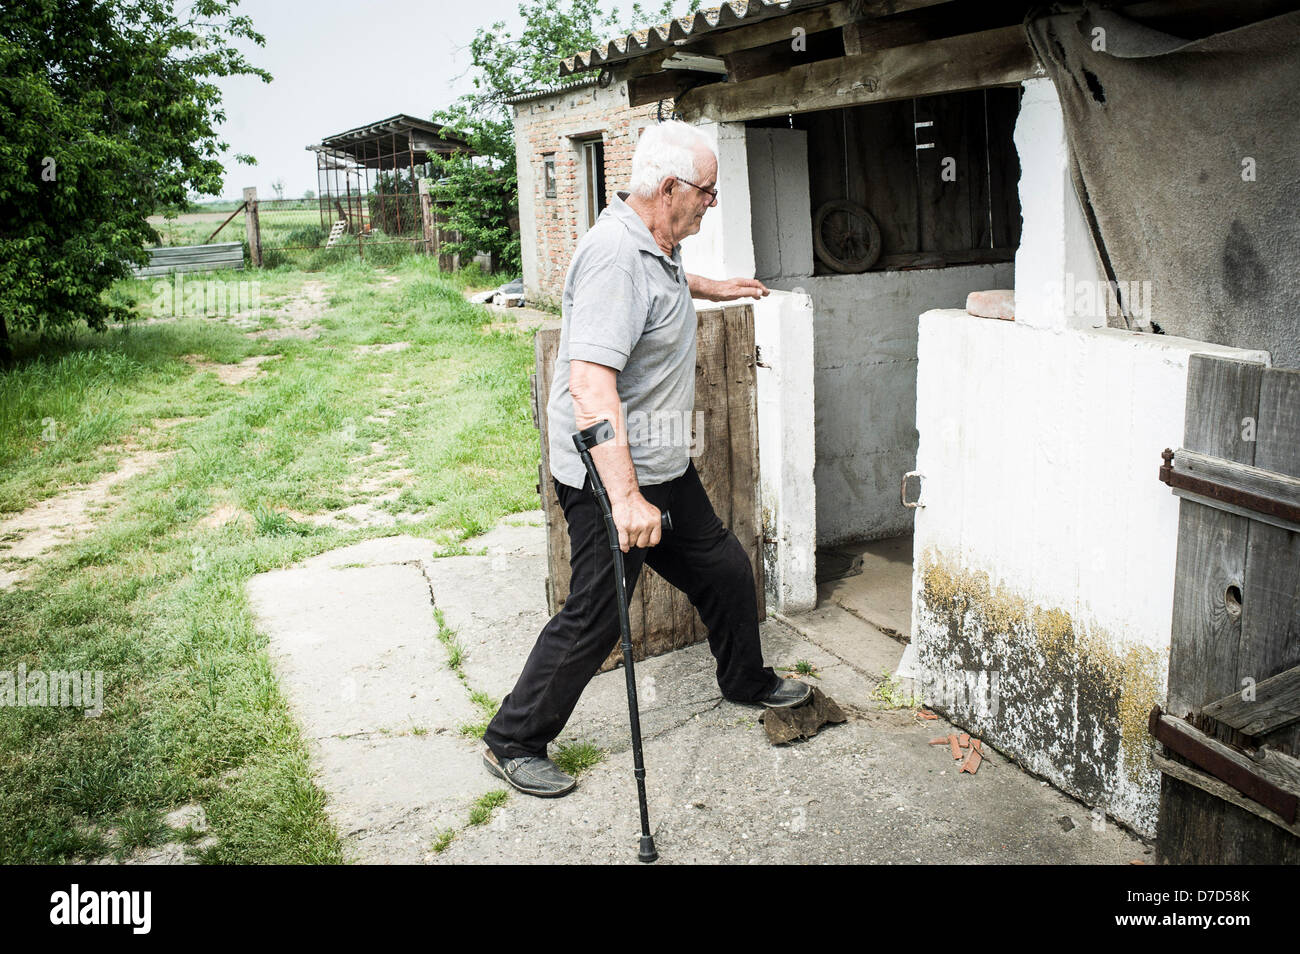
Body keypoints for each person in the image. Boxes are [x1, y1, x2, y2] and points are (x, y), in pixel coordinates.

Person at [482, 120, 811, 798]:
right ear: (669, 188)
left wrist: (712, 289)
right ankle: (513, 738)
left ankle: (745, 681)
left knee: (722, 569)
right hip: (612, 476)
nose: (710, 203)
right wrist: (628, 498)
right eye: (707, 193)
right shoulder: (615, 257)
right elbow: (591, 384)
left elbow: (656, 292)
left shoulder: (655, 244)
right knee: (599, 612)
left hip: (662, 464)